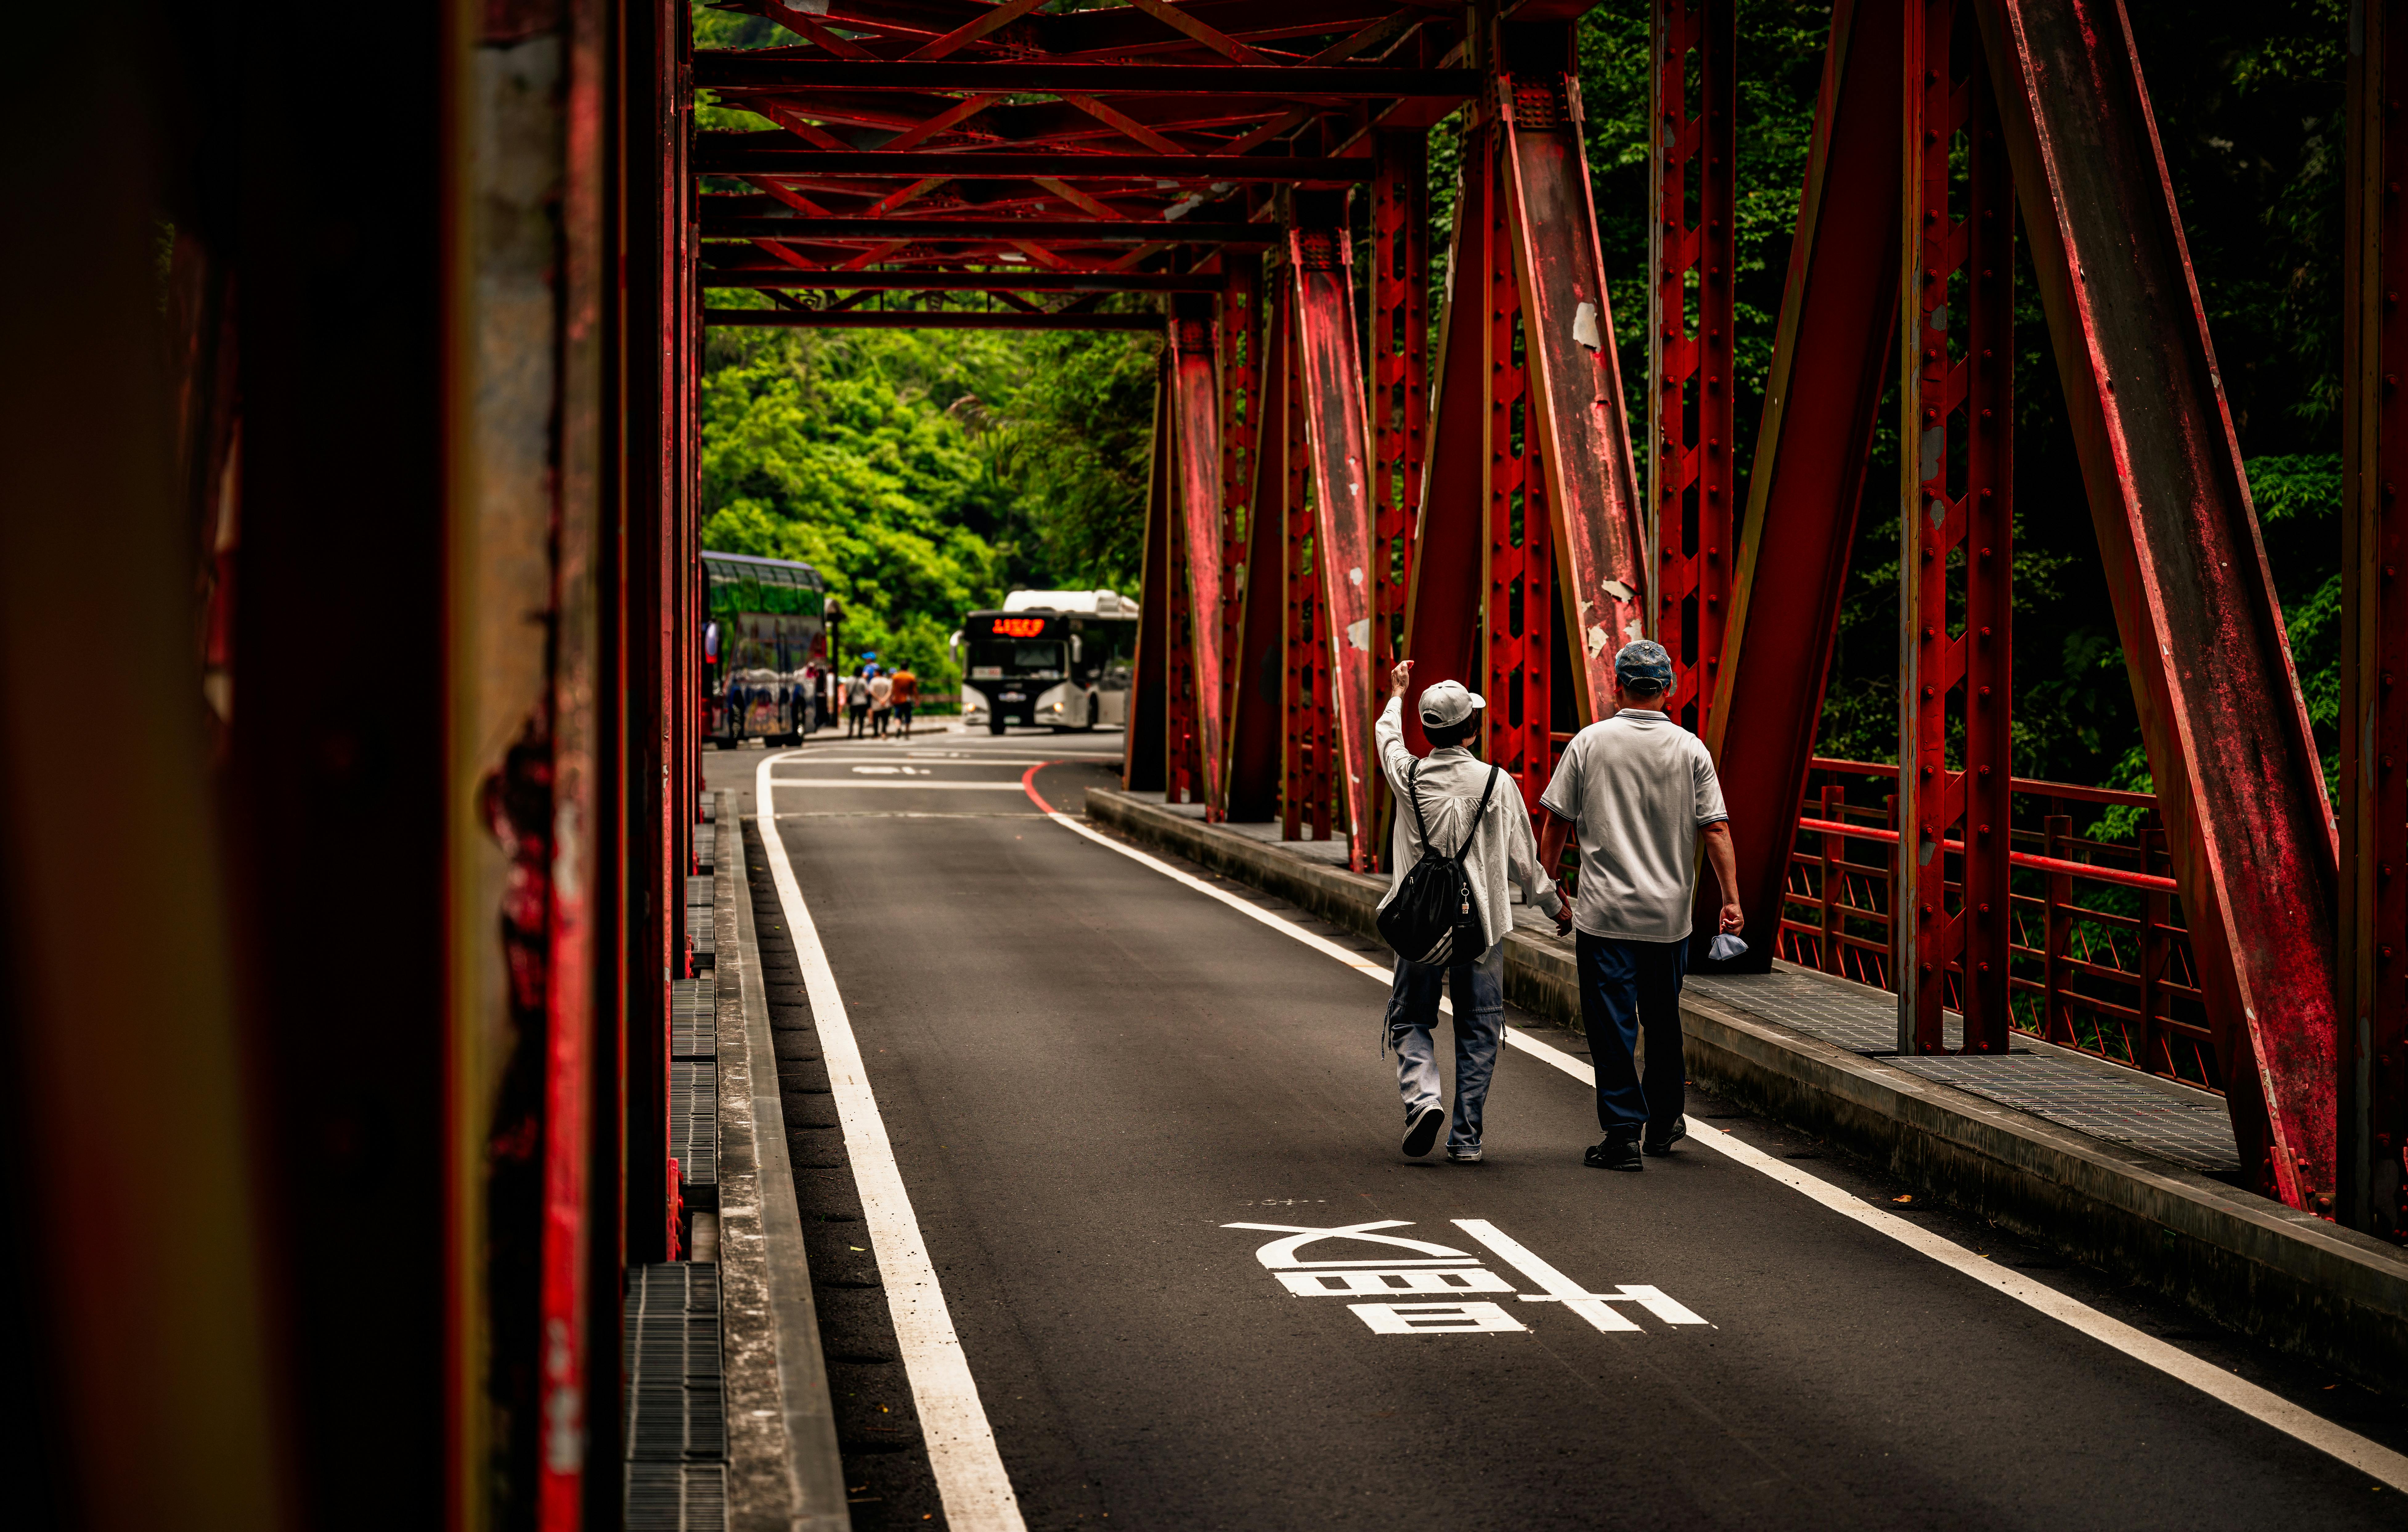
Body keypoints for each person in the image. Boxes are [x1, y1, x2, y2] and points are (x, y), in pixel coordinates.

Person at [1536, 638, 1743, 1172]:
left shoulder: (1590, 742)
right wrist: (1732, 900)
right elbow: (1715, 827)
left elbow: (1557, 818)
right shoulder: (1690, 748)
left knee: (1611, 1026)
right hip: (1669, 917)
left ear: (1617, 686)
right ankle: (1666, 1120)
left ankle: (1622, 1134)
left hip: (1605, 915)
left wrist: (1549, 884)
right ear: (1669, 687)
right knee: (1663, 1019)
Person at [1375, 659, 1571, 1163]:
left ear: (1427, 729)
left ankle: (1423, 1098)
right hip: (1479, 925)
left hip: (1420, 925)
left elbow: (1385, 739)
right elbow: (1524, 862)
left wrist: (1397, 693)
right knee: (1480, 1025)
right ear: (1473, 727)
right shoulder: (1497, 782)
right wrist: (1555, 907)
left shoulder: (1408, 774)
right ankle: (1467, 1139)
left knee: (1410, 1018)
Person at [889, 662, 918, 740]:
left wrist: (891, 698)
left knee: (897, 716)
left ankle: (898, 727)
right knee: (908, 716)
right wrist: (917, 700)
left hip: (898, 699)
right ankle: (907, 732)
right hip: (908, 699)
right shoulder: (911, 677)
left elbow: (893, 689)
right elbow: (915, 690)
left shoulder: (896, 677)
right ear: (908, 668)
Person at [867, 665, 894, 738]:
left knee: (876, 719)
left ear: (878, 673)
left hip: (876, 704)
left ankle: (876, 734)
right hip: (886, 704)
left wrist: (879, 699)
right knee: (885, 720)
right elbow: (890, 692)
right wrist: (884, 699)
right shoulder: (887, 681)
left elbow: (871, 692)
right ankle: (884, 733)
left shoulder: (873, 681)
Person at [845, 666, 872, 739]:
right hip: (862, 702)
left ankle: (850, 732)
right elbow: (867, 692)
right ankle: (860, 733)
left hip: (853, 703)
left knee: (852, 718)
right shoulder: (863, 681)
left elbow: (846, 690)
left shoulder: (849, 680)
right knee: (861, 719)